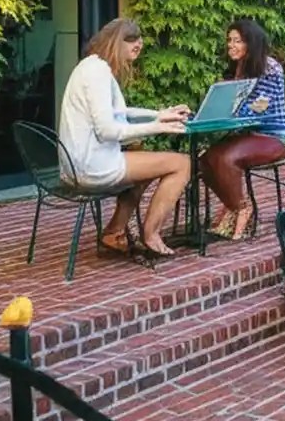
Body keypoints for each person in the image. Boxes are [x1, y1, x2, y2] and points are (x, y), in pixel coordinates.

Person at [57, 18, 190, 257]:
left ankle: (114, 232)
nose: (134, 56)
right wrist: (156, 127)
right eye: (134, 49)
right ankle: (151, 235)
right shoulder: (97, 73)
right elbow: (108, 130)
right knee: (182, 163)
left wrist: (160, 115)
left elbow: (120, 112)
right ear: (118, 42)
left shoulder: (93, 66)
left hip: (79, 163)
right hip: (91, 166)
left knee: (145, 164)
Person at [200, 19, 285, 238]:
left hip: (273, 136)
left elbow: (258, 108)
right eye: (229, 40)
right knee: (204, 161)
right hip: (249, 134)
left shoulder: (269, 68)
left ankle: (243, 208)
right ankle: (233, 205)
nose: (230, 45)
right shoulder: (239, 67)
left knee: (225, 159)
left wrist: (226, 113)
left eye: (237, 41)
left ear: (251, 43)